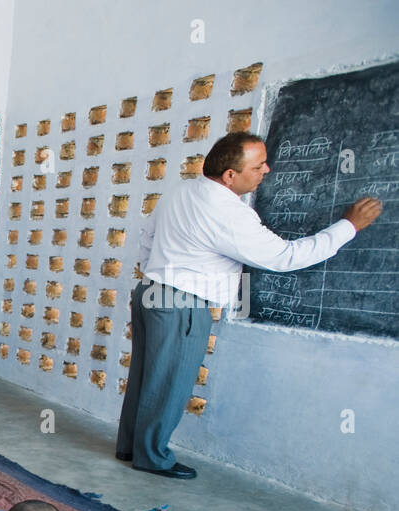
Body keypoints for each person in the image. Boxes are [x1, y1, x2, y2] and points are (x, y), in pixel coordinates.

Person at [118, 131, 384, 479]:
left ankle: (130, 447)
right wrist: (348, 226)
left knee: (144, 375)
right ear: (230, 174)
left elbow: (147, 235)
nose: (267, 170)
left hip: (151, 292)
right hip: (181, 301)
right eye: (258, 165)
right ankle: (152, 457)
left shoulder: (182, 189)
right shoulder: (229, 212)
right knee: (171, 382)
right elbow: (285, 257)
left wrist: (156, 270)